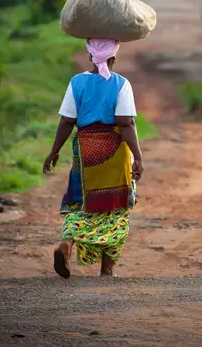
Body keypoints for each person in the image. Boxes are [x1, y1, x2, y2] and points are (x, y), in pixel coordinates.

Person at [43, 38, 144, 278]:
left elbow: (67, 120)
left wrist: (54, 150)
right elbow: (126, 122)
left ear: (90, 56)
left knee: (80, 201)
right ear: (114, 58)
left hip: (85, 150)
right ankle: (107, 269)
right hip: (116, 153)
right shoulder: (121, 84)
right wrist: (138, 156)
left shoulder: (76, 83)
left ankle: (67, 243)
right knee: (116, 207)